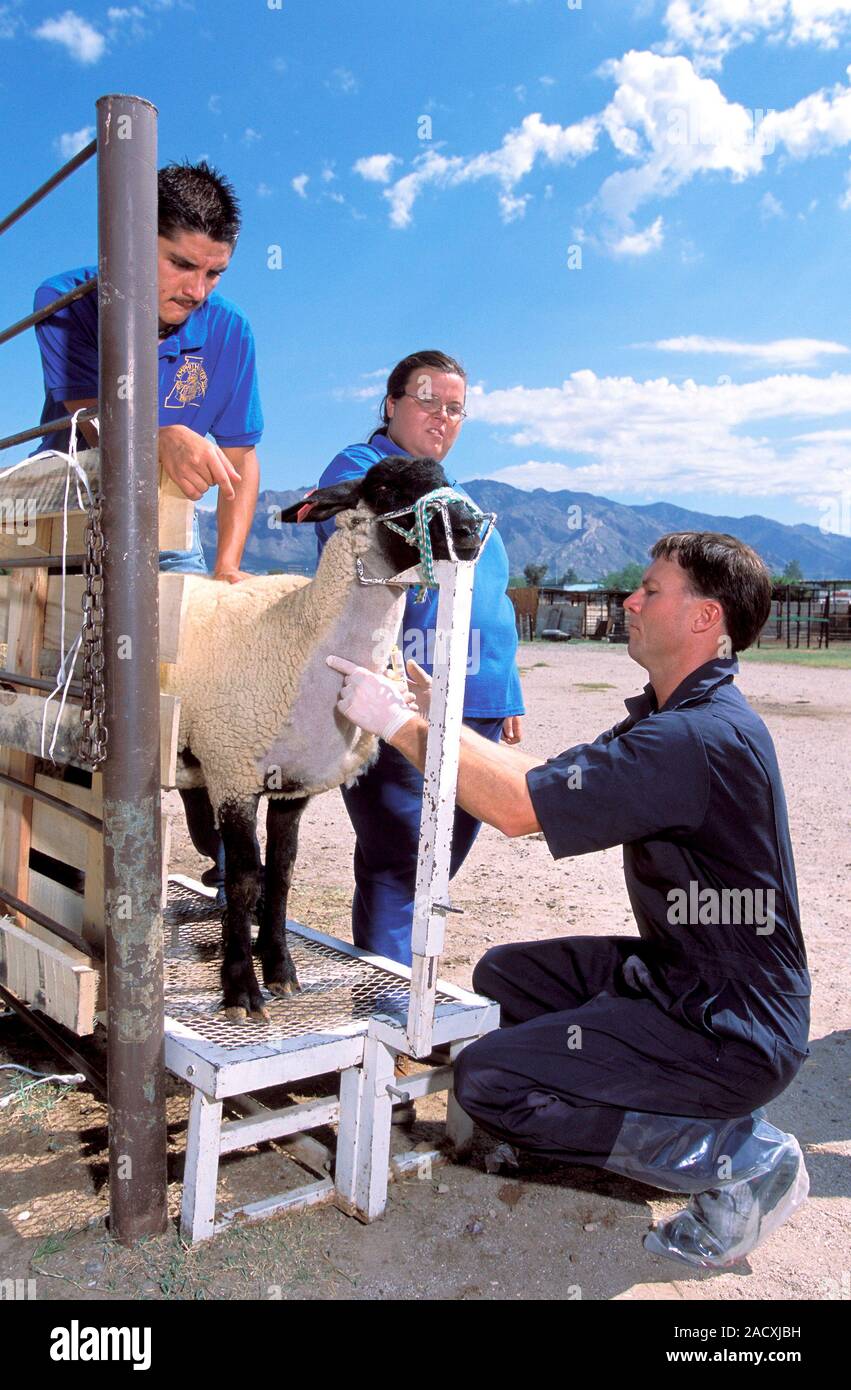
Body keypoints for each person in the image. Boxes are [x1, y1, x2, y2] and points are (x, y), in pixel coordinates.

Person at [327, 531, 811, 1268]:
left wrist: (396, 725)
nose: (630, 599)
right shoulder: (672, 717)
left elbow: (519, 809)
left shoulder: (695, 737)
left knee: (491, 1081)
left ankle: (736, 1154)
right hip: (684, 978)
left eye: (651, 590)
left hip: (728, 1027)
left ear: (703, 619)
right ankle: (649, 1091)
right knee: (505, 978)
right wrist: (442, 723)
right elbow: (547, 780)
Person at [32, 159, 264, 886]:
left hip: (172, 532)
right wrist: (159, 433)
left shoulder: (229, 331)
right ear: (132, 240)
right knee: (70, 701)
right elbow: (81, 416)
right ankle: (63, 881)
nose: (196, 290)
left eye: (214, 273)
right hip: (70, 522)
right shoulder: (67, 298)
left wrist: (227, 567)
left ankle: (233, 873)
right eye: (181, 264)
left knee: (200, 695)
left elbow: (241, 456)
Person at [313, 350, 524, 968]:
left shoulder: (456, 492)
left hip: (475, 701)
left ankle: (408, 1003)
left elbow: (492, 596)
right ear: (390, 405)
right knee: (399, 862)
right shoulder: (363, 469)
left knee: (435, 867)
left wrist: (506, 689)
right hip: (404, 693)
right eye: (428, 399)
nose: (442, 416)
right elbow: (376, 551)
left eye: (456, 408)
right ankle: (386, 1024)